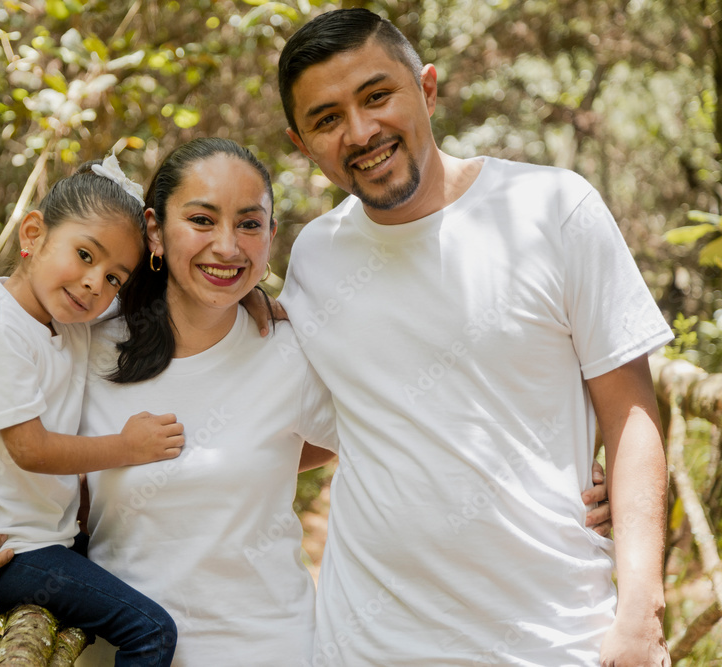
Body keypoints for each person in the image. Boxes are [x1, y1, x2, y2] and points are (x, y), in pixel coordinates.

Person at [0, 139, 612, 664]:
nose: (225, 245)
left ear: (272, 238)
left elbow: (413, 420)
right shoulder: (94, 334)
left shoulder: (293, 348)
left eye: (250, 223)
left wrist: (575, 459)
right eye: (201, 219)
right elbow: (3, 425)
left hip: (267, 642)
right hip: (121, 642)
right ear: (155, 232)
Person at [277, 8, 672, 666]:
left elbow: (630, 411)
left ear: (426, 89)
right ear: (302, 143)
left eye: (378, 96)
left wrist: (641, 607)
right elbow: (322, 423)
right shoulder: (316, 256)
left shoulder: (555, 208)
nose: (360, 130)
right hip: (367, 646)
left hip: (558, 638)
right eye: (327, 118)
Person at [0, 156, 183, 666]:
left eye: (115, 277)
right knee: (152, 630)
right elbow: (28, 448)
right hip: (7, 550)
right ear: (34, 232)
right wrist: (127, 448)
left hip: (46, 539)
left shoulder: (65, 317)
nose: (96, 284)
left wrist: (253, 298)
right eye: (85, 254)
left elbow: (154, 303)